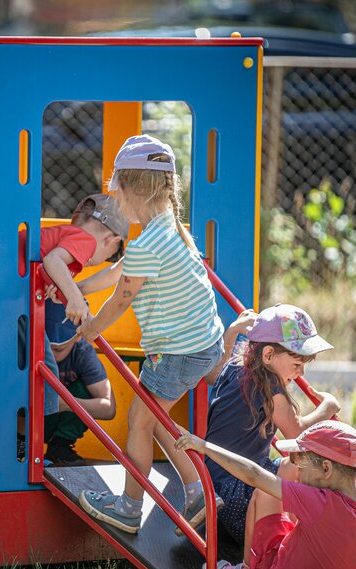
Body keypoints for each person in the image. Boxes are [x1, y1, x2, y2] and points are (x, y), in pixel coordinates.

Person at [75, 134, 225, 534]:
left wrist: (88, 331)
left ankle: (129, 506)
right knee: (157, 418)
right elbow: (121, 273)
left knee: (138, 420)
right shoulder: (171, 230)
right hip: (205, 344)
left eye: (117, 190)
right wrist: (80, 288)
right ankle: (196, 494)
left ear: (128, 190)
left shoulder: (148, 245)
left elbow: (120, 302)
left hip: (179, 352)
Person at [176, 420, 356, 569]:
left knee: (265, 491)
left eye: (299, 463)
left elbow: (254, 475)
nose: (297, 471)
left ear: (326, 468)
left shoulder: (320, 502)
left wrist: (204, 446)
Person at [197, 304, 340, 552]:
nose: (301, 373)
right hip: (237, 499)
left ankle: (318, 539)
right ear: (268, 355)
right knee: (303, 465)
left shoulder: (238, 368)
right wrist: (328, 407)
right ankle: (312, 544)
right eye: (297, 365)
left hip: (215, 490)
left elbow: (212, 375)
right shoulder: (270, 388)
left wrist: (231, 332)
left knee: (295, 465)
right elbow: (298, 433)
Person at [30, 193, 129, 418]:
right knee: (45, 372)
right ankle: (34, 438)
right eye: (108, 256)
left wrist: (60, 287)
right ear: (111, 241)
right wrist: (74, 297)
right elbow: (52, 260)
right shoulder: (86, 241)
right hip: (7, 302)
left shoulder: (68, 236)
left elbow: (49, 265)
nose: (99, 261)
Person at [41, 302, 117, 466]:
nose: (52, 357)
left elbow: (108, 408)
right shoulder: (29, 348)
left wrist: (66, 403)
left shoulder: (83, 353)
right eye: (47, 348)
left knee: (86, 389)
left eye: (59, 350)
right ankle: (21, 449)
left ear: (77, 337)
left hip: (60, 416)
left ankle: (59, 446)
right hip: (34, 421)